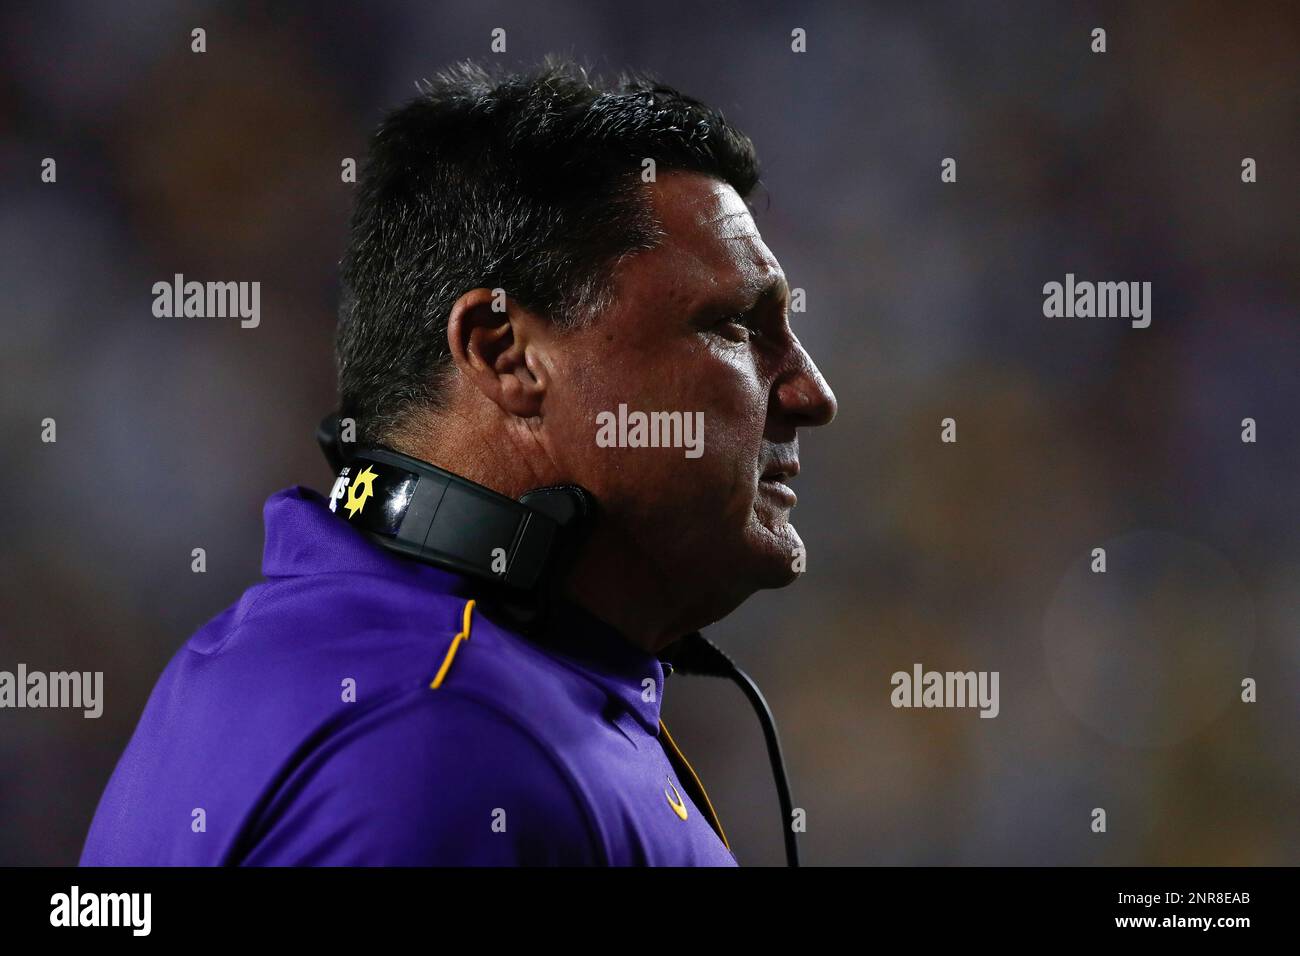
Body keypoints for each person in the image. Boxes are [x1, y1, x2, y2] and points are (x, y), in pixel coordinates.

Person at [81, 57, 836, 866]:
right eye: (732, 326)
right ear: (504, 352)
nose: (811, 393)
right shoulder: (439, 736)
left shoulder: (409, 677)